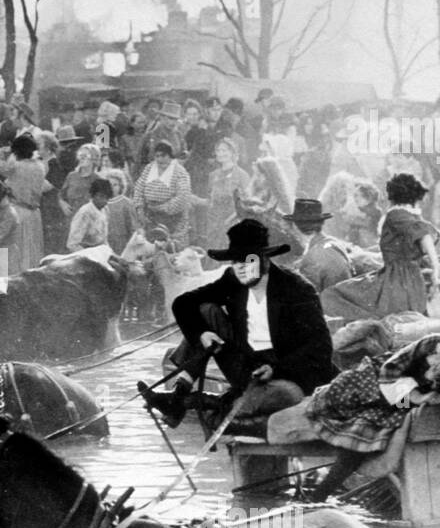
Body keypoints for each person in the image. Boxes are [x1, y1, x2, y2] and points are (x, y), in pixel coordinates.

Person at [268, 333, 440, 517]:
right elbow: (389, 371)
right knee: (341, 420)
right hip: (374, 384)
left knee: (361, 441)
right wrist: (416, 397)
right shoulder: (432, 347)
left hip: (399, 406)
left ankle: (317, 497)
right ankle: (316, 498)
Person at [138, 219, 336, 427]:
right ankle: (179, 394)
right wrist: (201, 334)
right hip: (246, 365)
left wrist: (276, 369)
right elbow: (183, 303)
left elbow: (320, 347)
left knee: (286, 394)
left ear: (264, 259)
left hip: (290, 372)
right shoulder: (233, 280)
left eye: (248, 261)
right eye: (235, 261)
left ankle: (205, 402)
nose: (240, 268)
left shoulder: (297, 289)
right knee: (206, 310)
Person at [321, 174, 440, 322]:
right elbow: (420, 240)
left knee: (332, 295)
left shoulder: (396, 215)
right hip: (413, 282)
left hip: (395, 281)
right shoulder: (412, 216)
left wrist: (436, 267)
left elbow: (423, 235)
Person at [285, 198, 368, 293]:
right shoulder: (334, 243)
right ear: (321, 223)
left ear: (295, 226)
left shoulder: (311, 259)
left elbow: (306, 298)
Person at [0, 133, 47, 268]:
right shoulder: (40, 166)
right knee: (32, 253)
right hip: (34, 214)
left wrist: (7, 149)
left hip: (18, 212)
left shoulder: (15, 167)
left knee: (16, 254)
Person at [134, 140, 199, 251]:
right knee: (150, 247)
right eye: (157, 156)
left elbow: (183, 196)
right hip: (150, 216)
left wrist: (163, 208)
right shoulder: (149, 168)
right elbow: (139, 188)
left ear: (170, 156)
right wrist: (140, 209)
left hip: (173, 218)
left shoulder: (180, 172)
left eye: (163, 156)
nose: (160, 159)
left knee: (173, 248)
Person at [66, 178, 112, 252]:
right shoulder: (85, 212)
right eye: (101, 196)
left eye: (107, 198)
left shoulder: (105, 210)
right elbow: (72, 245)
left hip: (100, 253)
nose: (104, 201)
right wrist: (92, 256)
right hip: (83, 254)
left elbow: (104, 241)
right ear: (93, 196)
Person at [102, 171, 138, 253]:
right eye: (109, 185)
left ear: (121, 186)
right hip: (104, 242)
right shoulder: (100, 202)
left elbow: (132, 227)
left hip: (121, 242)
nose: (111, 188)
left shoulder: (126, 203)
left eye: (115, 185)